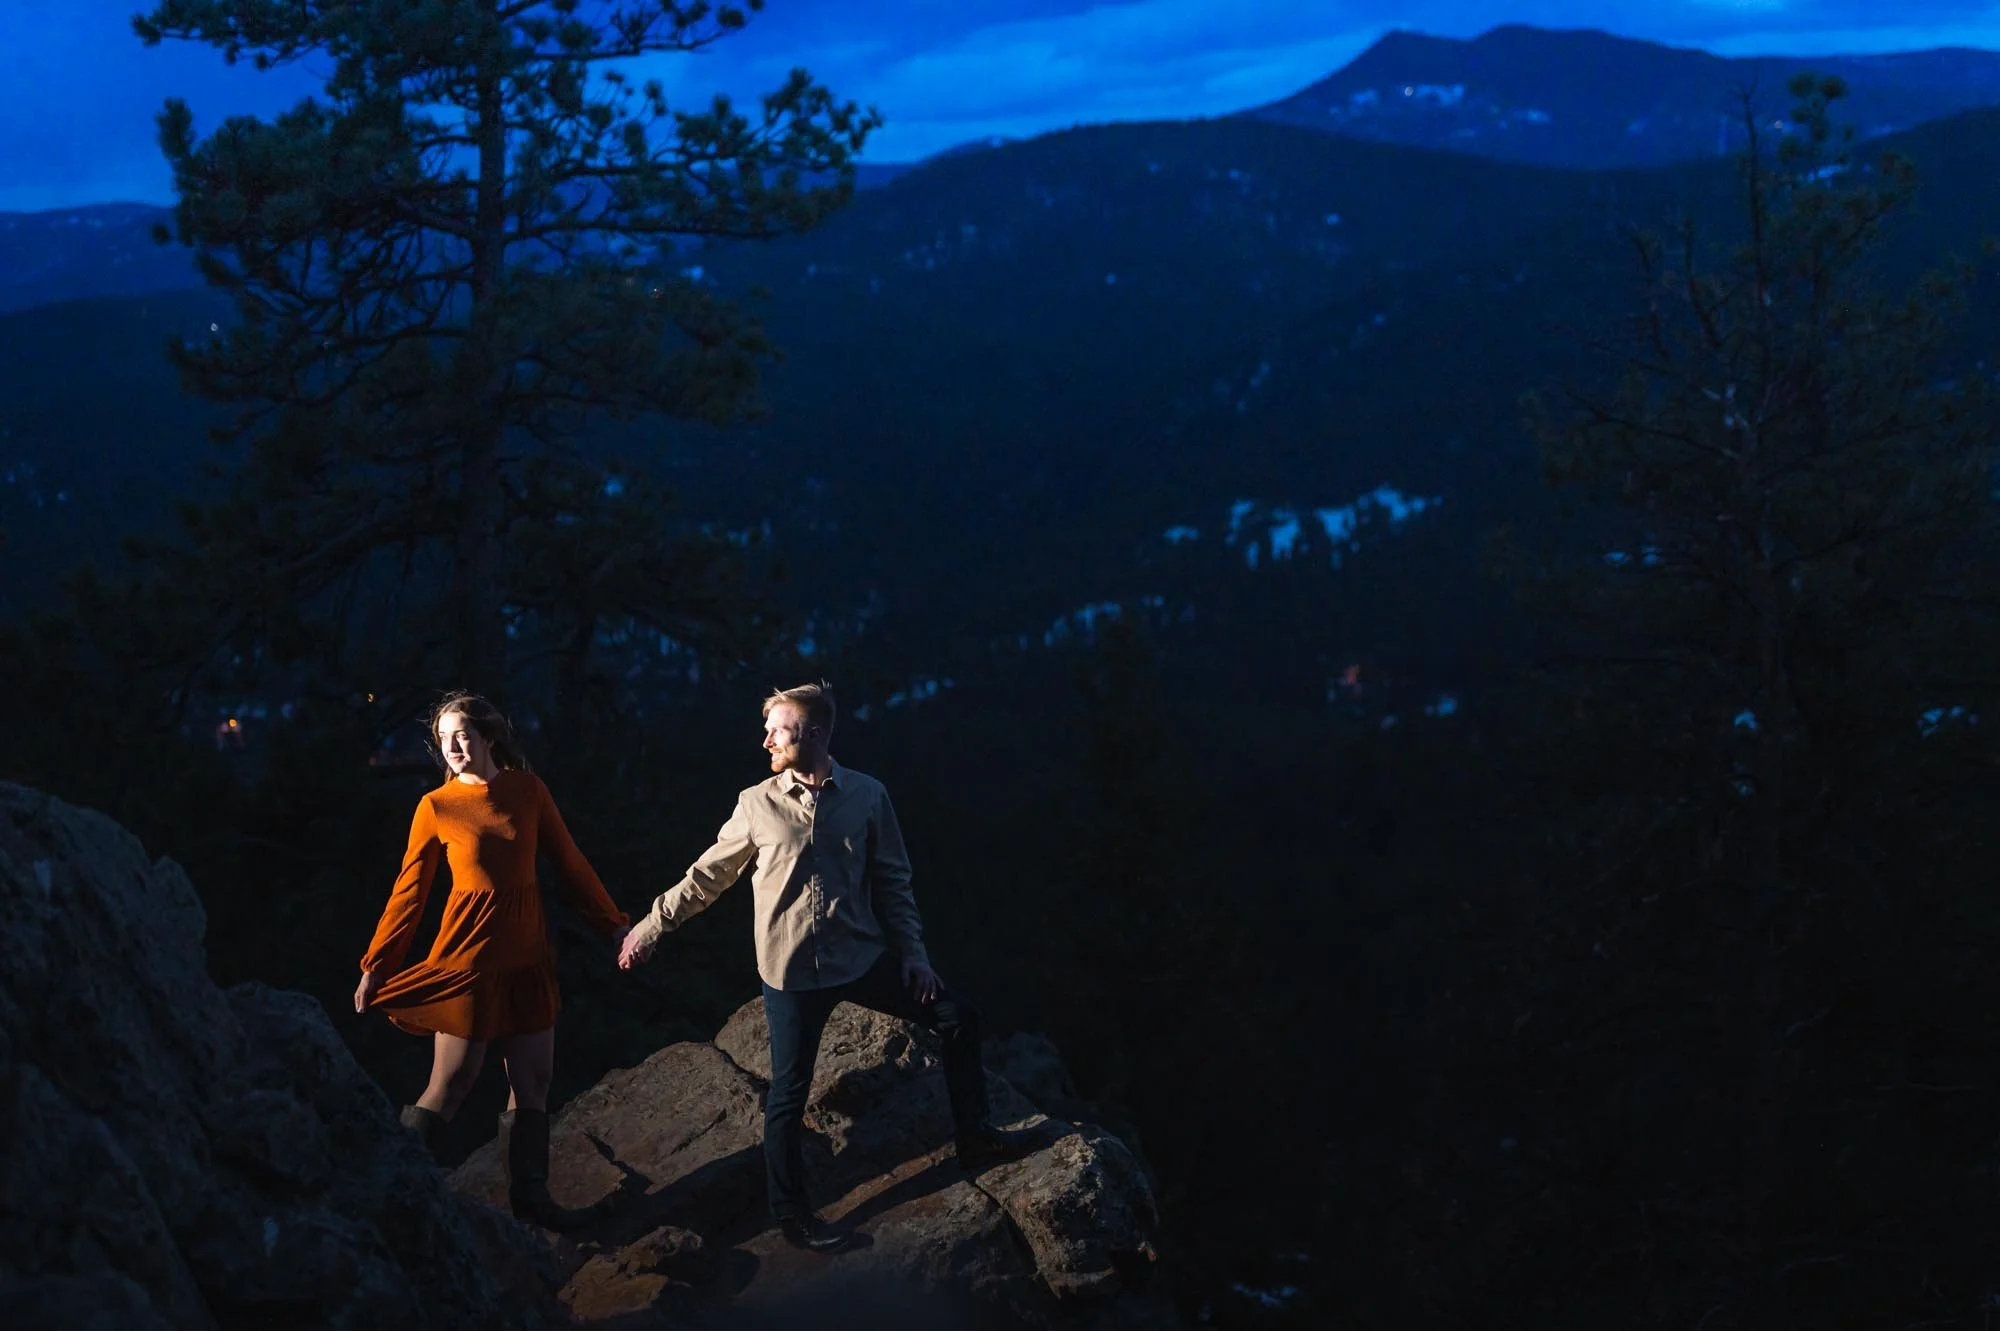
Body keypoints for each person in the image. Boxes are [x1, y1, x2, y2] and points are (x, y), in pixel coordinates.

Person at [616, 681, 1035, 1252]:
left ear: (813, 733)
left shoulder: (868, 796)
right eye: (767, 730)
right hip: (789, 972)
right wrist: (650, 927)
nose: (766, 741)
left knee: (958, 1016)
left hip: (858, 958)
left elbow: (893, 880)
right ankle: (793, 1218)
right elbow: (707, 877)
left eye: (778, 730)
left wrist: (914, 955)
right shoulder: (756, 803)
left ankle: (976, 1137)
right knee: (789, 1095)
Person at [355, 691, 630, 1228]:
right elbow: (408, 894)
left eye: (462, 735)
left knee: (533, 1084)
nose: (452, 747)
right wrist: (377, 965)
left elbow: (571, 864)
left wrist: (614, 925)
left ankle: (533, 1210)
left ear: (488, 737)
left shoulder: (527, 791)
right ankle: (395, 1197)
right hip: (468, 958)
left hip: (527, 958)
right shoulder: (436, 806)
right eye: (443, 738)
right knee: (452, 1082)